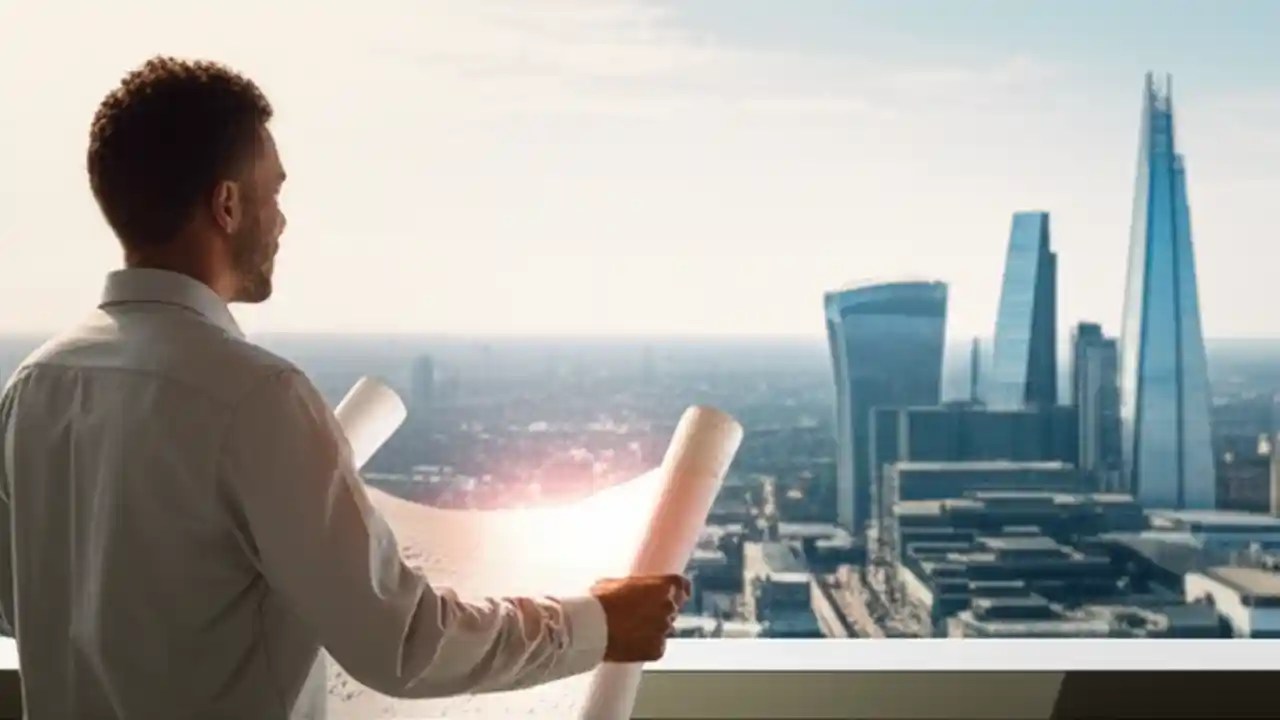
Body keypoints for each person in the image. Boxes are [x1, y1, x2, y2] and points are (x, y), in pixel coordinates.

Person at [0, 56, 689, 719]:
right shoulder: (257, 397)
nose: (283, 220)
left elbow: (16, 604)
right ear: (229, 205)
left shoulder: (35, 386)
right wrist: (599, 624)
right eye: (275, 192)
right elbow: (403, 644)